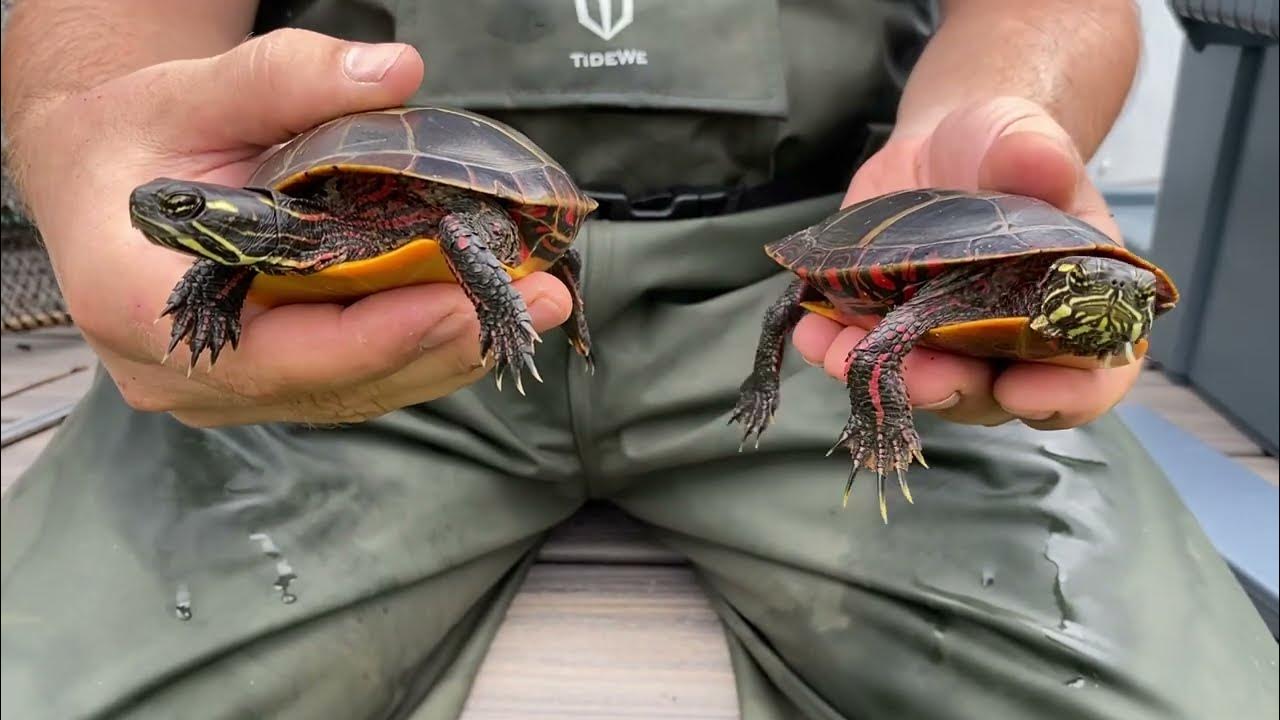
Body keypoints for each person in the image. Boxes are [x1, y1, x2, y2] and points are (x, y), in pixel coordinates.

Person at [1, 1, 1275, 718]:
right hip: (327, 327)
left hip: (826, 251)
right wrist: (82, 129)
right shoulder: (259, 234)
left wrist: (1001, 129)